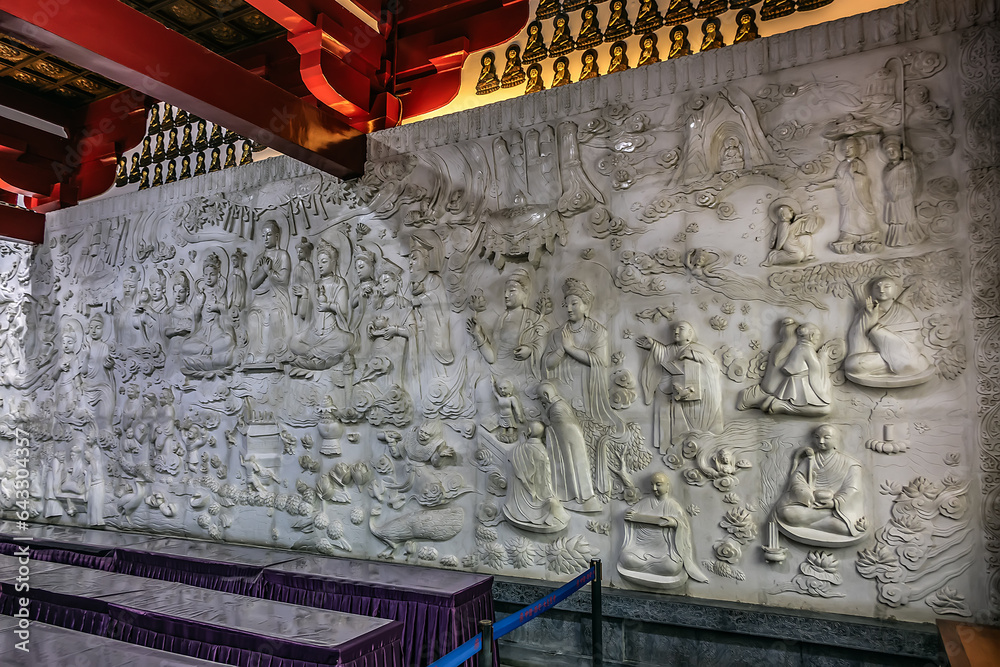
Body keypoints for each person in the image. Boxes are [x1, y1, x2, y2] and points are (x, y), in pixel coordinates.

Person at [637, 321, 723, 454]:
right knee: (664, 406)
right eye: (674, 330)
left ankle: (685, 445)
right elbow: (663, 354)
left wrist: (694, 356)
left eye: (680, 329)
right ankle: (665, 445)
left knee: (683, 422)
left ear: (689, 334)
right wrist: (653, 346)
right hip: (668, 389)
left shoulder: (699, 349)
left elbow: (713, 366)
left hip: (689, 392)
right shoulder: (669, 349)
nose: (676, 332)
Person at [774, 425, 867, 541]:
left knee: (844, 528)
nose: (821, 441)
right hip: (811, 504)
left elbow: (853, 489)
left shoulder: (851, 464)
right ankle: (824, 519)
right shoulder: (810, 460)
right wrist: (806, 494)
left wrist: (834, 503)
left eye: (826, 437)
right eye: (817, 437)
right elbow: (798, 478)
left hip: (837, 509)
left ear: (836, 440)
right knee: (787, 514)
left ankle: (814, 520)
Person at [543, 278, 614, 426]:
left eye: (574, 304)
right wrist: (561, 349)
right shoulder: (558, 333)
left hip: (587, 390)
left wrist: (571, 349)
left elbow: (602, 361)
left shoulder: (597, 331)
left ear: (586, 305)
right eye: (566, 305)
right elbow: (547, 365)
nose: (569, 309)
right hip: (563, 389)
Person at [618, 472, 709, 588]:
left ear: (667, 486)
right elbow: (630, 513)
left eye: (658, 485)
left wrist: (675, 523)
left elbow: (683, 526)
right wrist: (630, 515)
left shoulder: (673, 505)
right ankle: (650, 568)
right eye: (652, 485)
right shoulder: (645, 503)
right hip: (642, 549)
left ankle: (650, 568)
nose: (654, 488)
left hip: (665, 551)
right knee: (626, 558)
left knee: (672, 567)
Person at [845, 276, 933, 387]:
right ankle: (889, 368)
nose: (881, 290)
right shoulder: (865, 312)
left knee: (910, 363)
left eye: (887, 286)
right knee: (852, 364)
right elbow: (856, 339)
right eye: (877, 287)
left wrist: (876, 330)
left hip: (903, 356)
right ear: (872, 291)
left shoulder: (904, 312)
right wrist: (869, 317)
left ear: (894, 290)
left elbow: (914, 341)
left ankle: (893, 367)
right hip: (877, 357)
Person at [466, 268, 547, 382]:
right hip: (498, 373)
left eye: (512, 291)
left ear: (525, 293)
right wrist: (478, 335)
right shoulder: (501, 319)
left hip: (522, 377)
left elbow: (543, 344)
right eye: (505, 292)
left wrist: (530, 350)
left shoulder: (533, 318)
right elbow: (491, 358)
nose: (506, 295)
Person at [737, 322, 832, 416]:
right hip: (799, 387)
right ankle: (781, 405)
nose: (818, 339)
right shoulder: (807, 350)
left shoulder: (783, 349)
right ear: (811, 336)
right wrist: (823, 359)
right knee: (825, 410)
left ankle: (776, 403)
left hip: (787, 386)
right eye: (817, 336)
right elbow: (815, 372)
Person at [538, 382, 601, 512]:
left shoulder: (557, 408)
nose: (541, 401)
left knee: (574, 467)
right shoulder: (558, 405)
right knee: (572, 468)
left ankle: (580, 497)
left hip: (569, 443)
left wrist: (545, 420)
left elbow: (558, 426)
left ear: (546, 395)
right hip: (570, 441)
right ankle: (575, 496)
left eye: (541, 398)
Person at [503, 421, 571, 533]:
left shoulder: (514, 451)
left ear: (528, 431)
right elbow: (545, 481)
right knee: (553, 504)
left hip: (513, 505)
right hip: (536, 499)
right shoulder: (542, 453)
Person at [247, 219, 292, 362]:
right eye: (263, 235)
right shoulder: (260, 258)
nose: (266, 238)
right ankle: (255, 353)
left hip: (277, 298)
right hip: (260, 299)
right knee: (253, 316)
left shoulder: (282, 255)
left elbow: (283, 280)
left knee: (275, 314)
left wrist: (269, 270)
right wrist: (263, 272)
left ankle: (276, 352)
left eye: (269, 235)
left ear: (277, 237)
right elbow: (253, 283)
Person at [881, 135, 922, 247]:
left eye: (894, 150)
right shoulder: (887, 169)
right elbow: (886, 182)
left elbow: (913, 178)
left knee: (906, 217)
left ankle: (910, 238)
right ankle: (895, 239)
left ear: (900, 151)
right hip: (892, 198)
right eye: (888, 151)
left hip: (904, 196)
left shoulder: (907, 165)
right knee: (895, 219)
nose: (891, 152)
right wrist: (893, 193)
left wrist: (910, 159)